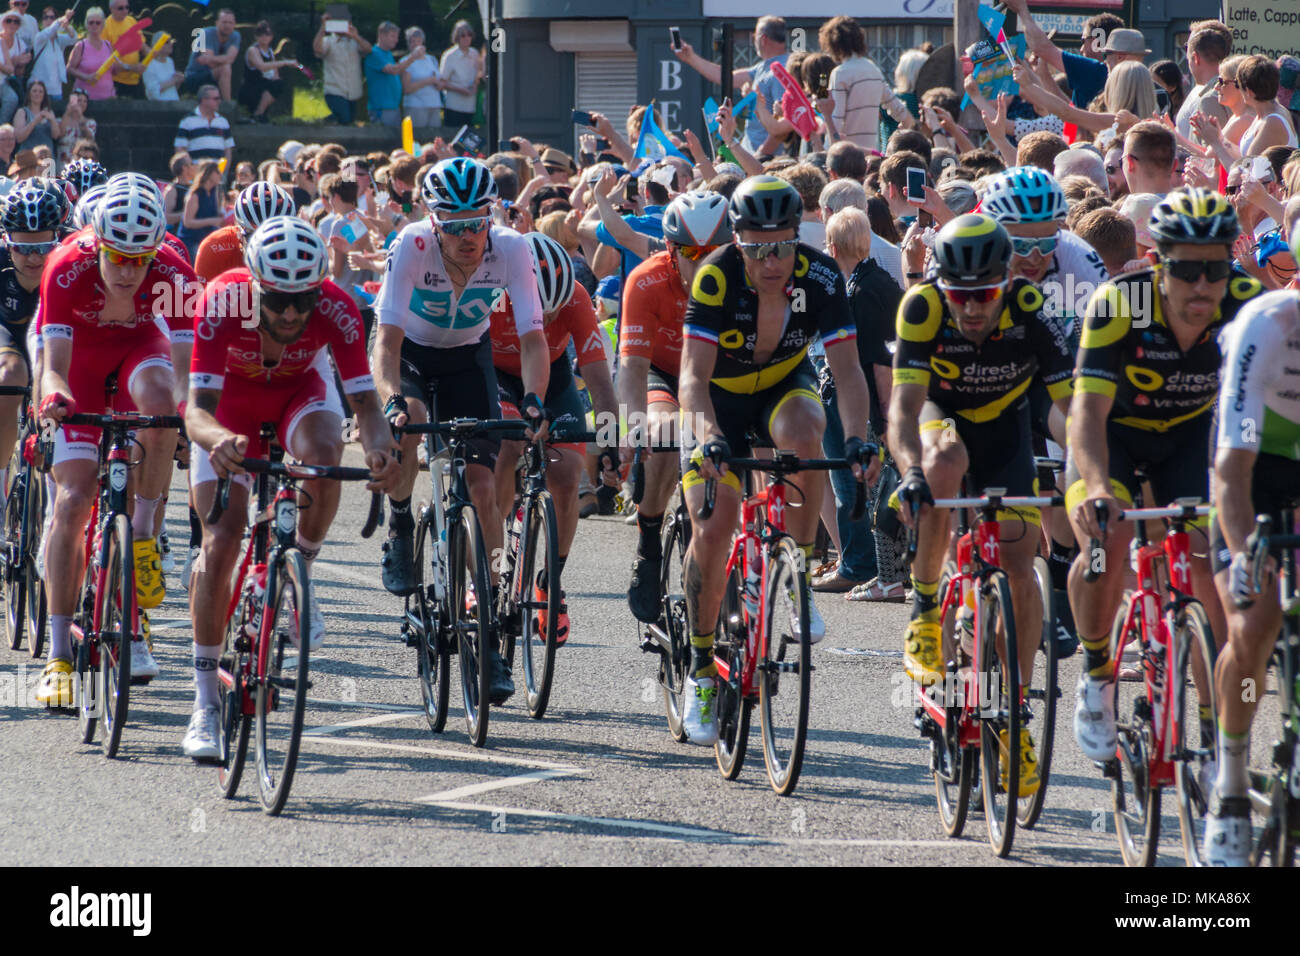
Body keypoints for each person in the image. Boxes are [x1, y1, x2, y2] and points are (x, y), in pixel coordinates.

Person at [181, 216, 399, 758]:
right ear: (253, 283)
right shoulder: (220, 302)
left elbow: (366, 408)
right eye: (278, 299)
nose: (291, 313)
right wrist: (219, 440)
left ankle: (299, 566)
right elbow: (195, 413)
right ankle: (204, 703)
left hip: (297, 398)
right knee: (221, 542)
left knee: (326, 456)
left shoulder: (336, 309)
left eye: (302, 299)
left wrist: (379, 449)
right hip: (227, 409)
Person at [1067, 188, 1264, 765]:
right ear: (1158, 264)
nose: (1202, 286)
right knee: (1105, 544)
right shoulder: (1118, 303)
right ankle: (1098, 674)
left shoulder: (1246, 304)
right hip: (1114, 438)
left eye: (1215, 269)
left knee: (1209, 574)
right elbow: (1086, 412)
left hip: (1189, 441)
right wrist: (1099, 487)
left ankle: (1214, 735)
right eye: (1187, 270)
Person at [676, 175, 877, 742]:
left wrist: (859, 438)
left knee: (809, 428)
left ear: (799, 236)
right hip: (717, 400)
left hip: (782, 388)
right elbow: (691, 378)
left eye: (784, 245)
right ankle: (700, 673)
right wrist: (708, 436)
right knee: (714, 530)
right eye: (758, 248)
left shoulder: (819, 276)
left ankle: (800, 573)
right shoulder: (715, 277)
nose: (773, 261)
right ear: (737, 242)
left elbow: (848, 370)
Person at [891, 213, 1074, 794]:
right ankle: (924, 611)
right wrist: (910, 473)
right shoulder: (922, 308)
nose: (972, 308)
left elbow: (1068, 411)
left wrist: (1091, 472)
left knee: (1020, 562)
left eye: (985, 295)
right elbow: (901, 409)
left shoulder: (1031, 307)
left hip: (1005, 431)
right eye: (960, 296)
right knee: (942, 464)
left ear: (1007, 280)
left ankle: (1013, 714)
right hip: (939, 420)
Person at [372, 157, 550, 706]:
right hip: (412, 358)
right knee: (409, 428)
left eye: (479, 221)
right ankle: (401, 524)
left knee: (483, 489)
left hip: (467, 358)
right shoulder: (410, 246)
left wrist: (537, 400)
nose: (470, 236)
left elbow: (534, 339)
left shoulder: (514, 249)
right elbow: (386, 341)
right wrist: (392, 402)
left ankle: (489, 622)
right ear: (433, 222)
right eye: (455, 226)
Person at [32, 185, 193, 705]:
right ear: (96, 244)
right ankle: (57, 657)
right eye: (118, 258)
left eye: (140, 260)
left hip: (138, 352)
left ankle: (141, 539)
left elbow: (189, 371)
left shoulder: (174, 272)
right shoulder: (65, 267)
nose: (128, 272)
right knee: (75, 501)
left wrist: (193, 417)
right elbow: (53, 363)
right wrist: (54, 395)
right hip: (80, 361)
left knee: (164, 400)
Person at [1205, 257, 1300, 864]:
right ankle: (1231, 780)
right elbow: (1231, 473)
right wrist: (1244, 558)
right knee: (1255, 621)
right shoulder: (1264, 325)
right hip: (1253, 469)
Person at [490, 232, 617, 644]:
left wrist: (612, 439)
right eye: (536, 311)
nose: (542, 319)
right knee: (507, 445)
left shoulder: (576, 297)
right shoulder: (490, 293)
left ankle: (551, 579)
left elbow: (599, 377)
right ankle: (491, 556)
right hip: (495, 375)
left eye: (552, 312)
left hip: (553, 376)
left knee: (567, 473)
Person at [622, 191, 731, 622]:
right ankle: (650, 540)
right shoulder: (646, 281)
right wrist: (630, 433)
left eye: (714, 252)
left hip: (716, 377)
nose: (703, 261)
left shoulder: (744, 279)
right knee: (665, 431)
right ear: (670, 248)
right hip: (662, 374)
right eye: (691, 251)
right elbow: (630, 367)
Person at [672, 16, 789, 156]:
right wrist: (690, 58)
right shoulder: (763, 67)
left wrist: (760, 156)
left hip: (767, 159)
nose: (753, 40)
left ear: (763, 39)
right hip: (753, 154)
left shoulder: (781, 71)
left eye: (754, 36)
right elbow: (727, 78)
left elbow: (784, 124)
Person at [819, 15, 914, 152]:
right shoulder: (873, 69)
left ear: (833, 44)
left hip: (846, 155)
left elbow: (837, 119)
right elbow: (901, 112)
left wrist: (826, 151)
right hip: (872, 154)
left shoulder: (840, 73)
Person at [312, 15, 369, 125]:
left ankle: (326, 126)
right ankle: (318, 124)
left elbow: (368, 49)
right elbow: (317, 48)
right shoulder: (328, 41)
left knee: (348, 123)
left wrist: (356, 36)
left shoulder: (355, 42)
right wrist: (323, 28)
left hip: (353, 92)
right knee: (344, 118)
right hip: (335, 90)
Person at [363, 21, 419, 129]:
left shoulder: (388, 54)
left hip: (393, 107)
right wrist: (413, 57)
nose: (396, 40)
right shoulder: (374, 53)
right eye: (393, 36)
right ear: (381, 35)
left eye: (397, 37)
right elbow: (394, 70)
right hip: (382, 108)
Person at [239, 20, 295, 124]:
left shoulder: (270, 52)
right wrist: (285, 62)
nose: (264, 36)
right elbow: (262, 66)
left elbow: (275, 75)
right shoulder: (253, 50)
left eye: (267, 34)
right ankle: (257, 115)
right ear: (256, 36)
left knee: (278, 84)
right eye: (260, 34)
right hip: (251, 89)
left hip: (263, 89)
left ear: (271, 36)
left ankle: (259, 113)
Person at [182, 7, 239, 101]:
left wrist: (212, 58)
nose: (227, 25)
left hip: (214, 77)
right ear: (217, 23)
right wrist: (225, 59)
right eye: (224, 22)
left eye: (230, 23)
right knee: (225, 68)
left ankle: (227, 107)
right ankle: (227, 105)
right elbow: (211, 64)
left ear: (234, 24)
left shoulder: (236, 36)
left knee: (226, 67)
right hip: (194, 77)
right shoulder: (206, 34)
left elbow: (230, 59)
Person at [173, 83, 233, 168]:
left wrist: (223, 172)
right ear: (204, 100)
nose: (219, 101)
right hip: (196, 174)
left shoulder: (223, 122)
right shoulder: (187, 121)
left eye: (219, 98)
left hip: (217, 175)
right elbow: (180, 150)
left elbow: (228, 151)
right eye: (216, 99)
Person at [29, 7, 75, 108]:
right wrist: (61, 20)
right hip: (40, 91)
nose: (49, 20)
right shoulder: (39, 37)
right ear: (42, 21)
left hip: (57, 90)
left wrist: (66, 25)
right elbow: (49, 32)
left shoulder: (60, 40)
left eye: (52, 17)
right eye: (46, 17)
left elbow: (73, 38)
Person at [177, 158, 222, 261]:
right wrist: (211, 221)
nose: (220, 175)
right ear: (209, 173)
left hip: (205, 240)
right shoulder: (195, 195)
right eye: (217, 172)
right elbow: (188, 222)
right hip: (191, 242)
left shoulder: (213, 192)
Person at [438, 19, 480, 128]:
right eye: (463, 35)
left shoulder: (475, 53)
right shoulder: (449, 56)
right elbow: (442, 83)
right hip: (454, 107)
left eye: (469, 35)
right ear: (457, 37)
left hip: (470, 107)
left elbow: (478, 74)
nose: (467, 38)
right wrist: (461, 90)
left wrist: (475, 85)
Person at [65, 7, 113, 101]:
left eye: (98, 23)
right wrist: (86, 77)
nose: (94, 25)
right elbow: (69, 69)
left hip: (106, 99)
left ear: (103, 24)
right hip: (82, 100)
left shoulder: (108, 45)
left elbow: (113, 70)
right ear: (86, 25)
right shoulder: (80, 46)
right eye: (91, 22)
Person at [401, 26, 442, 128]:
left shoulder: (432, 59)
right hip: (416, 107)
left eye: (418, 41)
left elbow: (439, 82)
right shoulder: (405, 61)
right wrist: (428, 81)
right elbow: (406, 89)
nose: (415, 44)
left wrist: (438, 84)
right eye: (412, 41)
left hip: (434, 105)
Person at [102, 0, 143, 99]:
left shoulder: (131, 21)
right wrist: (131, 67)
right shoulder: (105, 27)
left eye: (127, 7)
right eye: (121, 8)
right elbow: (106, 60)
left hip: (135, 79)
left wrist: (152, 53)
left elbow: (141, 44)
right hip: (116, 81)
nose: (125, 11)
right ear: (111, 9)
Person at [12, 78, 56, 159]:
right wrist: (35, 122)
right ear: (29, 94)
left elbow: (56, 136)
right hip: (28, 159)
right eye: (34, 91)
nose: (37, 94)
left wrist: (53, 121)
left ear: (44, 95)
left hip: (47, 160)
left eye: (40, 91)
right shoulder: (22, 112)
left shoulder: (49, 112)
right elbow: (19, 138)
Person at [142, 31, 182, 101]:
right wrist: (173, 81)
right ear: (157, 45)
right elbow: (152, 93)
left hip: (175, 104)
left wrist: (178, 81)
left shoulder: (170, 61)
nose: (171, 45)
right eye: (167, 42)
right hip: (159, 108)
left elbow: (172, 89)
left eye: (171, 42)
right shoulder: (148, 64)